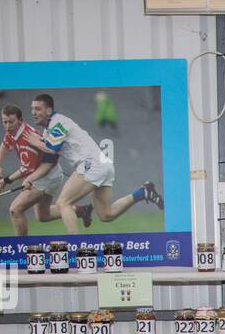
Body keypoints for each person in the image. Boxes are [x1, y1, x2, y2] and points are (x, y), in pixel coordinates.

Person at [24, 93, 162, 234]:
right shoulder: (48, 131)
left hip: (92, 164)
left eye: (38, 109)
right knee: (106, 215)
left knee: (63, 203)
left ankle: (75, 246)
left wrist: (35, 141)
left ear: (48, 110)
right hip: (102, 165)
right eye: (32, 109)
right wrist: (31, 178)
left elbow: (52, 149)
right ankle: (143, 192)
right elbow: (49, 160)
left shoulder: (58, 122)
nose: (33, 113)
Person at [0, 104, 92, 234]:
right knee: (43, 215)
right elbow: (5, 144)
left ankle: (22, 248)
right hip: (51, 174)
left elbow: (27, 169)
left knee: (15, 210)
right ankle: (81, 210)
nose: (8, 125)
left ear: (20, 120)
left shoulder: (27, 138)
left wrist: (6, 180)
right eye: (5, 122)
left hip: (44, 176)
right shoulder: (13, 131)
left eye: (11, 122)